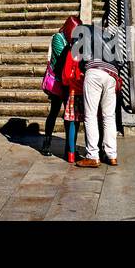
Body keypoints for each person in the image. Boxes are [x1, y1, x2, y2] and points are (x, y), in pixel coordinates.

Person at [75, 22, 122, 168]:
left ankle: (92, 155)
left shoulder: (83, 31)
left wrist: (83, 66)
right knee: (109, 116)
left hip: (94, 72)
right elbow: (120, 61)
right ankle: (111, 154)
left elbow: (83, 55)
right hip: (112, 74)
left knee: (90, 115)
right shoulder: (110, 36)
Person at [42, 16, 82, 161]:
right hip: (58, 82)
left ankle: (69, 149)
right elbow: (62, 57)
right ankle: (47, 143)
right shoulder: (58, 38)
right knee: (53, 112)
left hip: (69, 83)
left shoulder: (74, 40)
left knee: (70, 117)